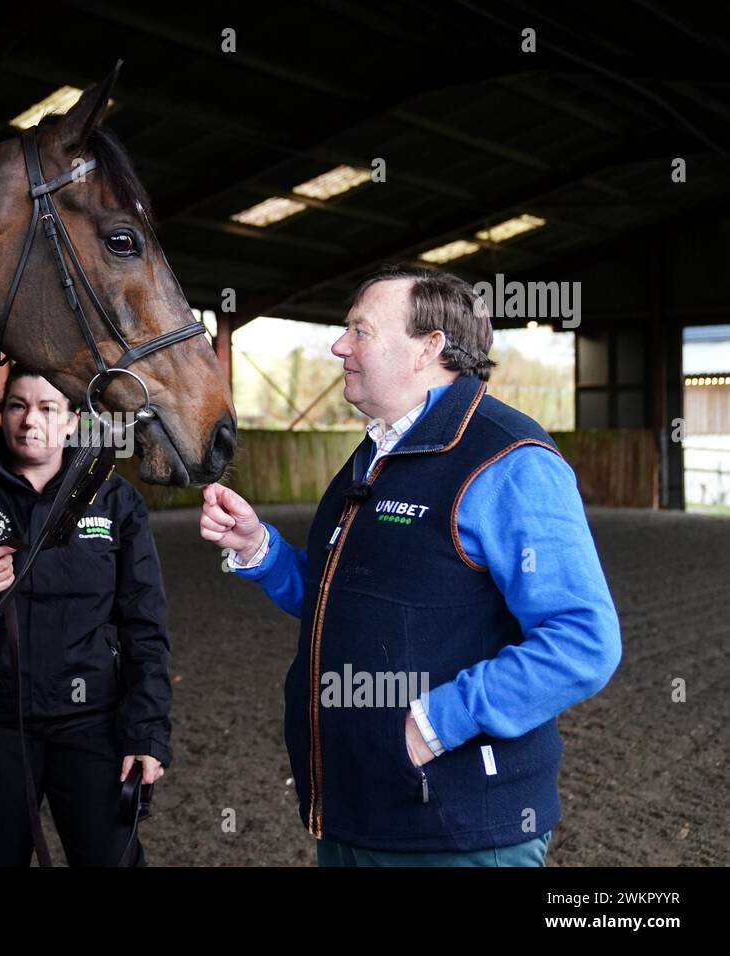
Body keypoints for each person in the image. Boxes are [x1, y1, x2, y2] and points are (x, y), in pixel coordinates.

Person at [201, 264, 622, 866]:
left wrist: (431, 726)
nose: (338, 344)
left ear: (430, 347)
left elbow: (584, 641)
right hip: (355, 809)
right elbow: (347, 597)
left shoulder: (508, 459)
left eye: (360, 330)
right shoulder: (376, 453)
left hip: (454, 831)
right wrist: (258, 551)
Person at [0, 363, 171, 866]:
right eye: (17, 406)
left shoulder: (114, 501)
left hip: (94, 724)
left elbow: (145, 626)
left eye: (48, 408)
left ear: (73, 420)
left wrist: (147, 731)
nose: (30, 421)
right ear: (1, 414)